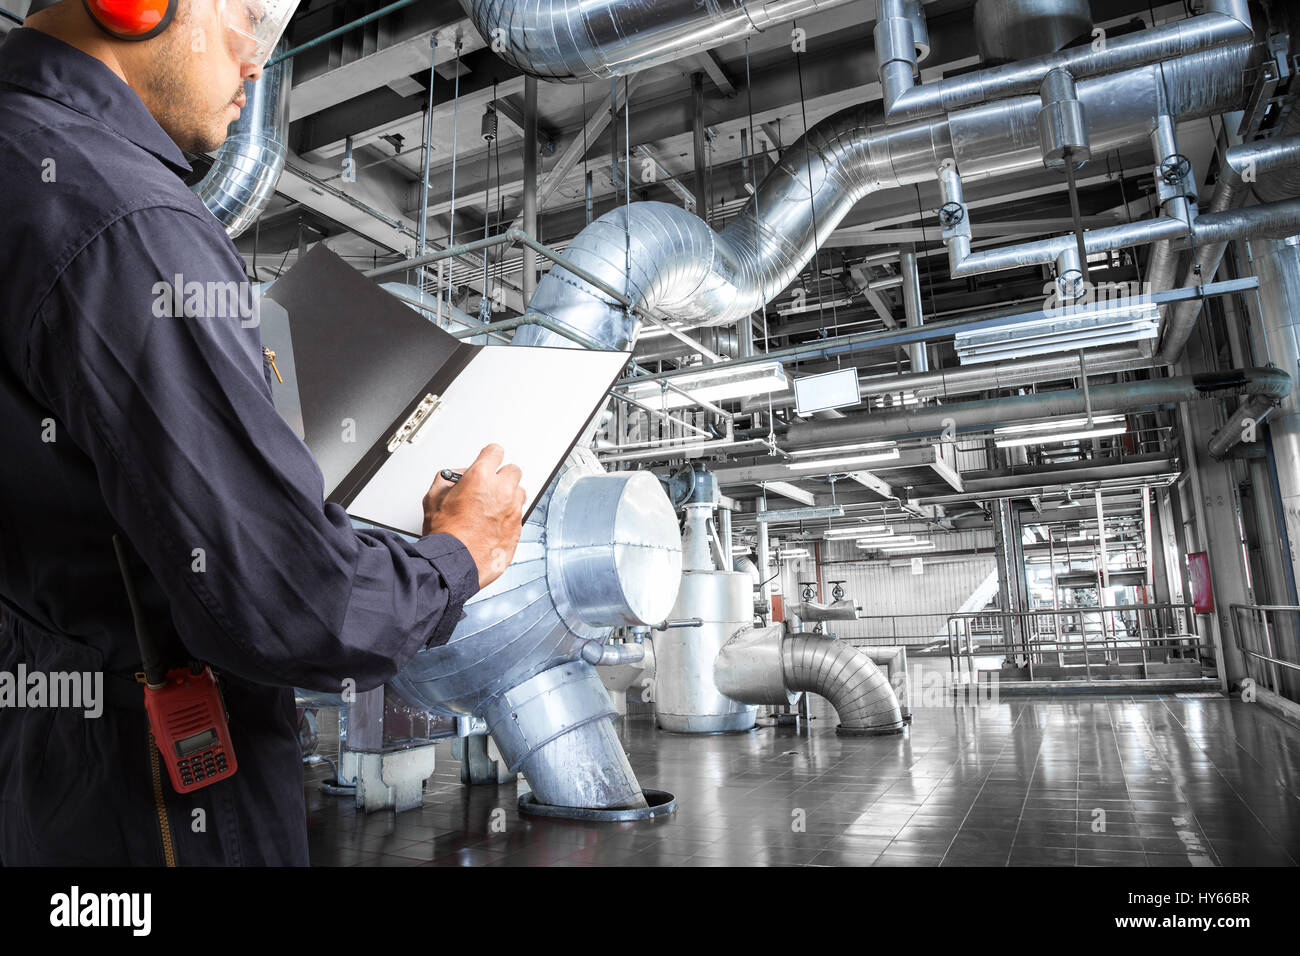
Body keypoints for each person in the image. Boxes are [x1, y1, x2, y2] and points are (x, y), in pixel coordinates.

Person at [0, 0, 525, 865]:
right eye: (247, 19)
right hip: (163, 795)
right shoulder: (131, 220)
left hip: (53, 768)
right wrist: (458, 552)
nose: (256, 65)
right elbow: (297, 609)